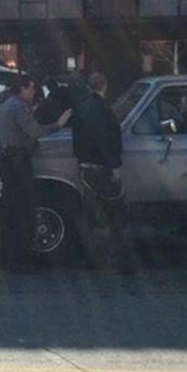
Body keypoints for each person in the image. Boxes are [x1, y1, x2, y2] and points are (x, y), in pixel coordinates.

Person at [0, 74, 72, 272]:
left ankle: (9, 257)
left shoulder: (6, 106)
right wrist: (59, 124)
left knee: (11, 212)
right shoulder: (19, 107)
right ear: (23, 88)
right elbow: (35, 131)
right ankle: (21, 261)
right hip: (18, 162)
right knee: (24, 211)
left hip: (7, 160)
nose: (34, 91)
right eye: (32, 87)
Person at [71, 72, 135, 274]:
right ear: (104, 86)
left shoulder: (81, 108)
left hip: (85, 167)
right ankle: (120, 262)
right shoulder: (103, 110)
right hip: (102, 168)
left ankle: (90, 261)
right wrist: (115, 165)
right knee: (116, 215)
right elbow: (106, 138)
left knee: (91, 217)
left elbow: (76, 137)